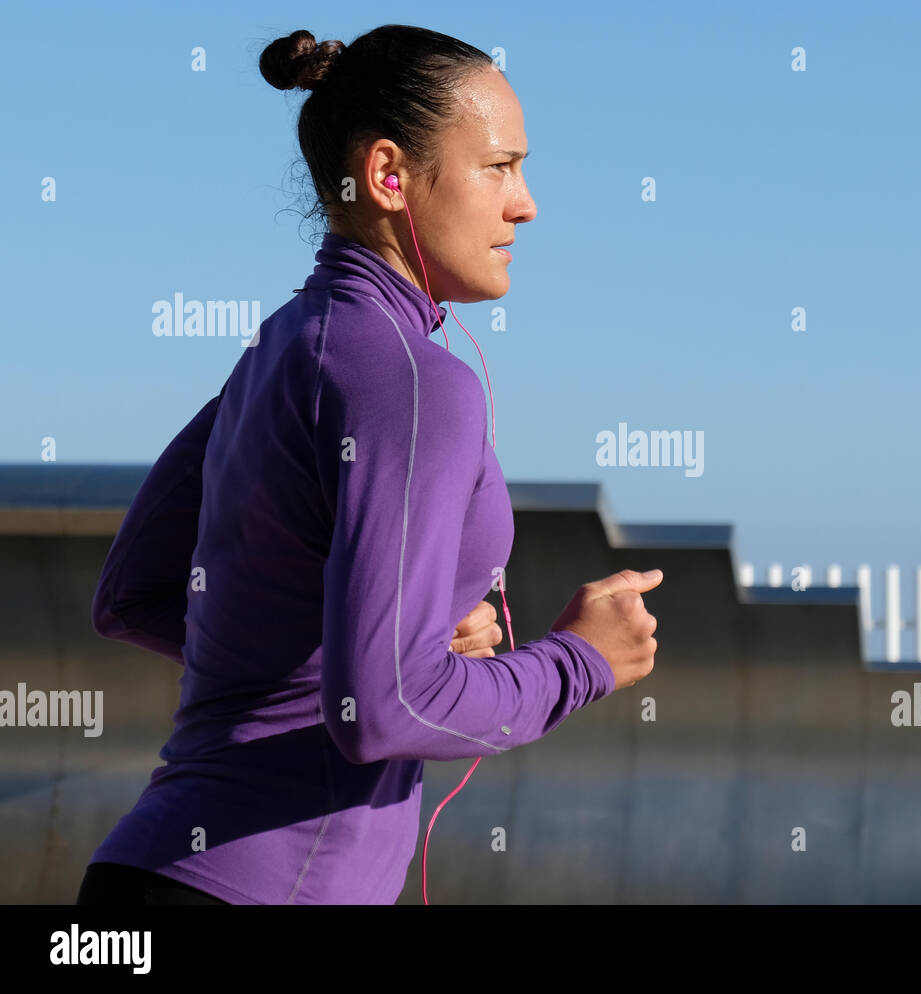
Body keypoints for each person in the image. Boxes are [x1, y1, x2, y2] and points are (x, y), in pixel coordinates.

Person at [76, 24, 661, 906]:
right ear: (389, 174)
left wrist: (366, 642)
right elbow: (387, 709)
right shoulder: (420, 383)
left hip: (141, 878)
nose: (526, 203)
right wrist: (579, 660)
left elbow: (132, 595)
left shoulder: (281, 350)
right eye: (499, 167)